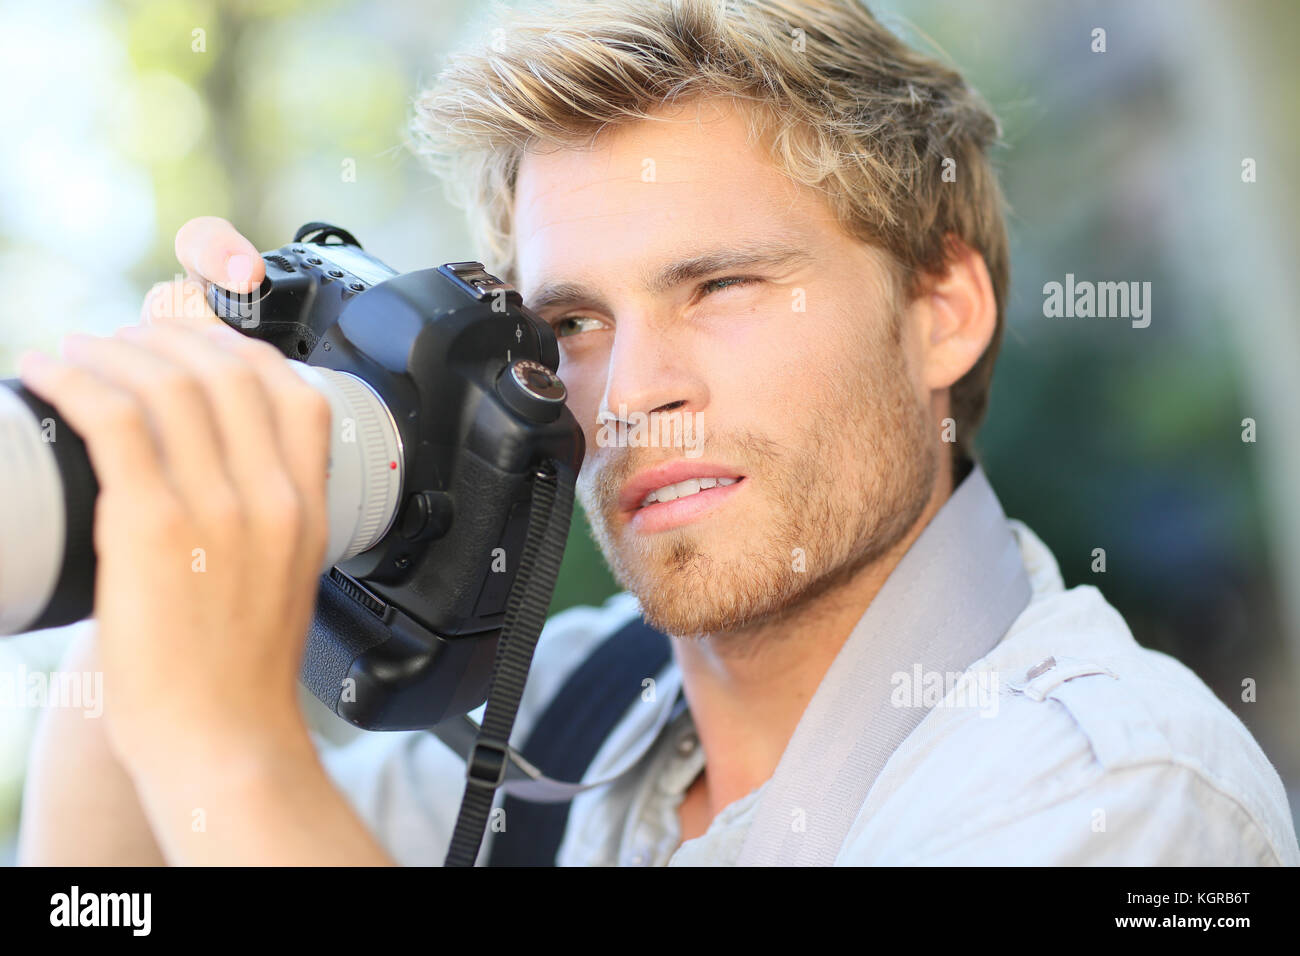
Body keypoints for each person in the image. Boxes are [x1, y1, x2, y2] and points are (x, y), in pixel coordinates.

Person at [17, 0, 1299, 865]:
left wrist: (231, 742)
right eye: (571, 321)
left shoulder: (1118, 792)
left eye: (721, 286)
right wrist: (134, 503)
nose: (631, 389)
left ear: (942, 310)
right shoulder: (557, 713)